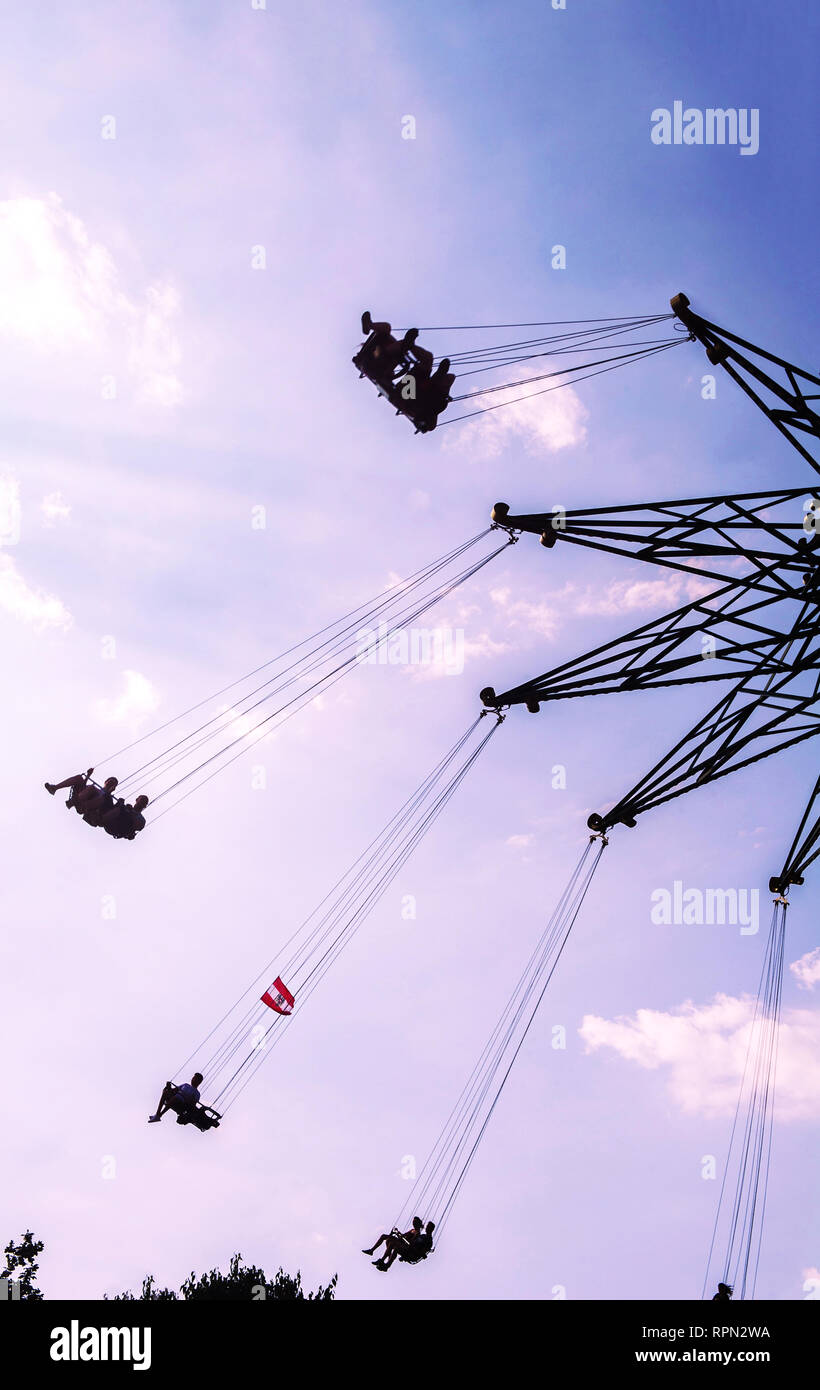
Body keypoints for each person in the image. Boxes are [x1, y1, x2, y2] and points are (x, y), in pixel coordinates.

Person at [358, 312, 418, 388]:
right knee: (387, 328)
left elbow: (403, 365)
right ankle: (369, 325)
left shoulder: (392, 363)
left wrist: (390, 378)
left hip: (376, 366)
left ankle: (370, 325)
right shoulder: (396, 355)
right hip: (374, 359)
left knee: (395, 347)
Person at [44, 770, 119, 819]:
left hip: (87, 806)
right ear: (105, 781)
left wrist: (108, 792)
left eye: (113, 783)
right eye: (110, 781)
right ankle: (54, 788)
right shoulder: (95, 788)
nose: (111, 783)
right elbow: (83, 787)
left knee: (94, 789)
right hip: (80, 796)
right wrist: (88, 776)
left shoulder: (108, 798)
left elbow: (105, 808)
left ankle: (74, 802)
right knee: (79, 778)